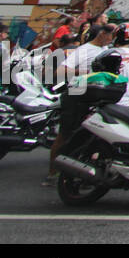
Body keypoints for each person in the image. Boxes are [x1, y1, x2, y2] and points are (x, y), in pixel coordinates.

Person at [44, 24, 116, 186]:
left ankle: (82, 173)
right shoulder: (84, 50)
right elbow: (60, 71)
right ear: (102, 34)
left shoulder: (108, 49)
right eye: (111, 35)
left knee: (91, 137)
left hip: (97, 98)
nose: (113, 39)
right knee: (66, 134)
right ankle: (52, 173)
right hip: (76, 96)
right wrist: (88, 72)